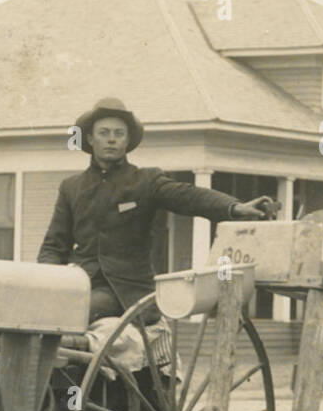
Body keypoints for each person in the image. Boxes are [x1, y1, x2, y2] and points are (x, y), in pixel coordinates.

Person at [38, 97, 278, 324]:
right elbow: (53, 246)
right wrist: (52, 281)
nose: (111, 139)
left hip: (127, 291)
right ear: (90, 139)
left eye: (119, 134)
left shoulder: (146, 181)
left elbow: (189, 196)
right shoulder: (71, 187)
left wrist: (234, 207)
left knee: (80, 309)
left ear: (127, 141)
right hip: (80, 283)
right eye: (104, 133)